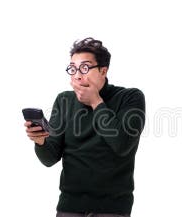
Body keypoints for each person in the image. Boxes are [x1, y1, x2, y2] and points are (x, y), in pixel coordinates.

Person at [24, 37, 145, 217]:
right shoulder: (64, 100)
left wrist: (96, 102)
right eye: (73, 69)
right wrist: (40, 141)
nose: (77, 75)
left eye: (85, 68)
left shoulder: (130, 97)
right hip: (70, 206)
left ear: (103, 71)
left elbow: (121, 145)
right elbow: (49, 159)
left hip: (112, 208)